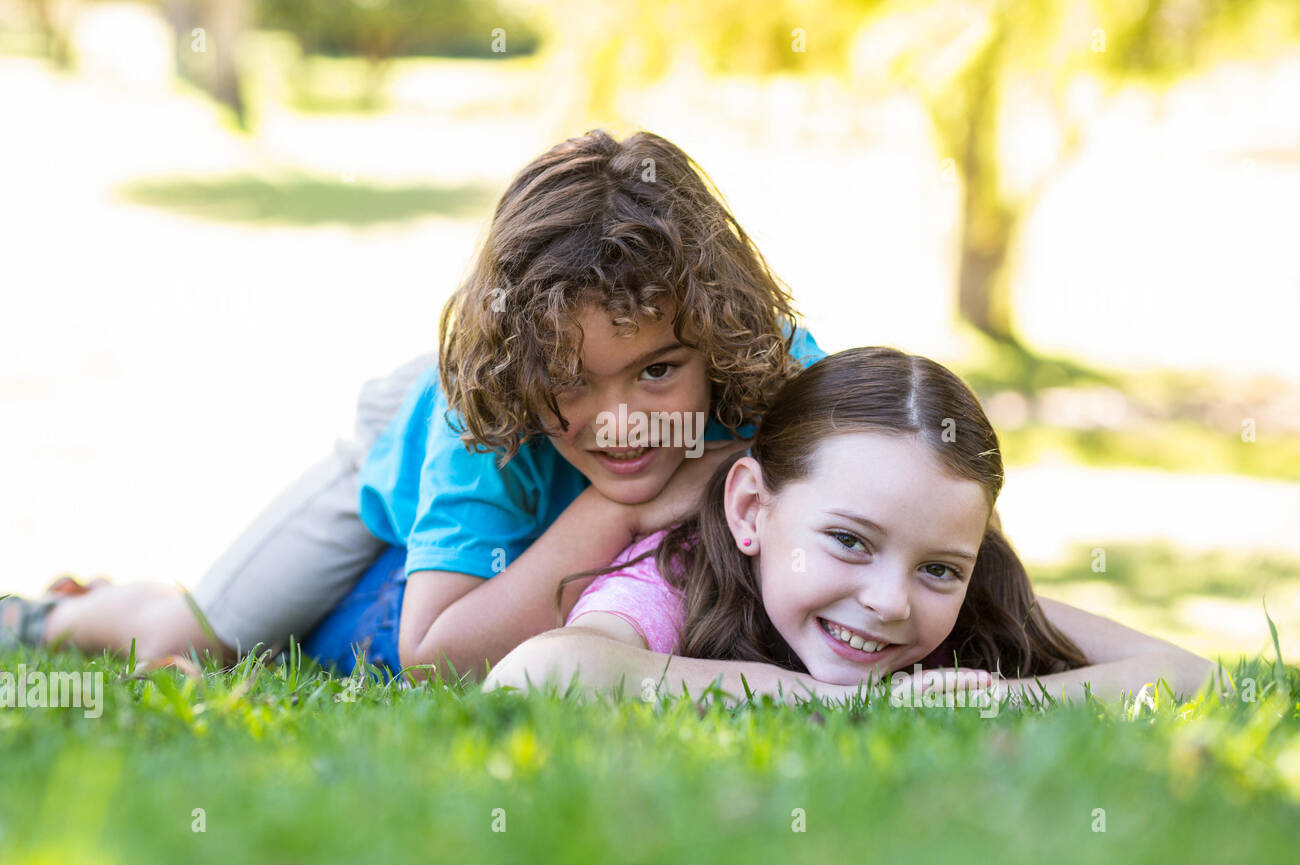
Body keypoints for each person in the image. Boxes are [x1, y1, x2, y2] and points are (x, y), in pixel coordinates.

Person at [1, 129, 824, 681]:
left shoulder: (771, 365)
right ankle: (48, 619)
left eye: (657, 372)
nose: (621, 424)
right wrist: (622, 511)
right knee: (198, 640)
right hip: (386, 467)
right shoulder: (484, 415)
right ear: (526, 364)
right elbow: (430, 653)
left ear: (716, 337)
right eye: (573, 381)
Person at [480, 347, 1215, 707]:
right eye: (851, 542)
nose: (891, 602)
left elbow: (1193, 676)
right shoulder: (676, 574)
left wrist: (998, 701)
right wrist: (830, 702)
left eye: (938, 568)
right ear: (750, 511)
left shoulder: (966, 591)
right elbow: (532, 674)